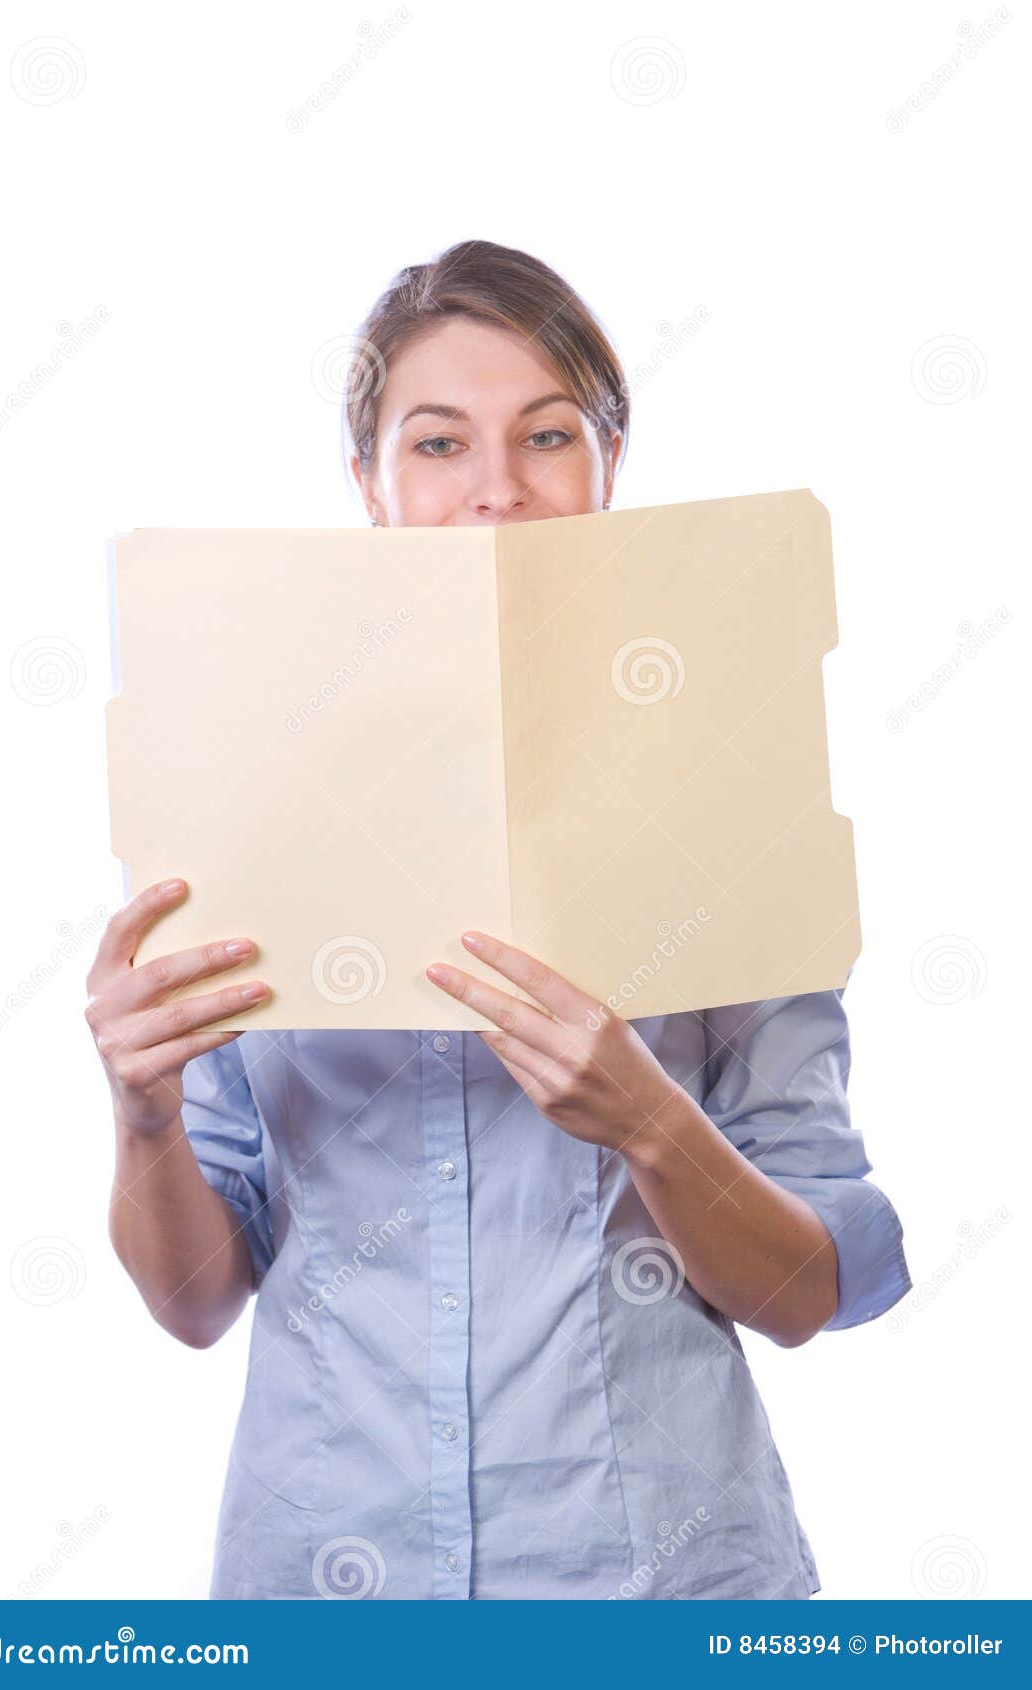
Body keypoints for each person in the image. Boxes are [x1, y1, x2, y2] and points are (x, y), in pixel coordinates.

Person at [86, 239, 911, 1601]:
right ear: (371, 487)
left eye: (547, 434)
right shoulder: (241, 799)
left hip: (659, 1596)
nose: (496, 490)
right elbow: (195, 1302)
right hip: (331, 1593)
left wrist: (650, 1121)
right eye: (437, 444)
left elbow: (808, 1292)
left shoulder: (728, 791)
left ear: (608, 464)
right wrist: (143, 1114)